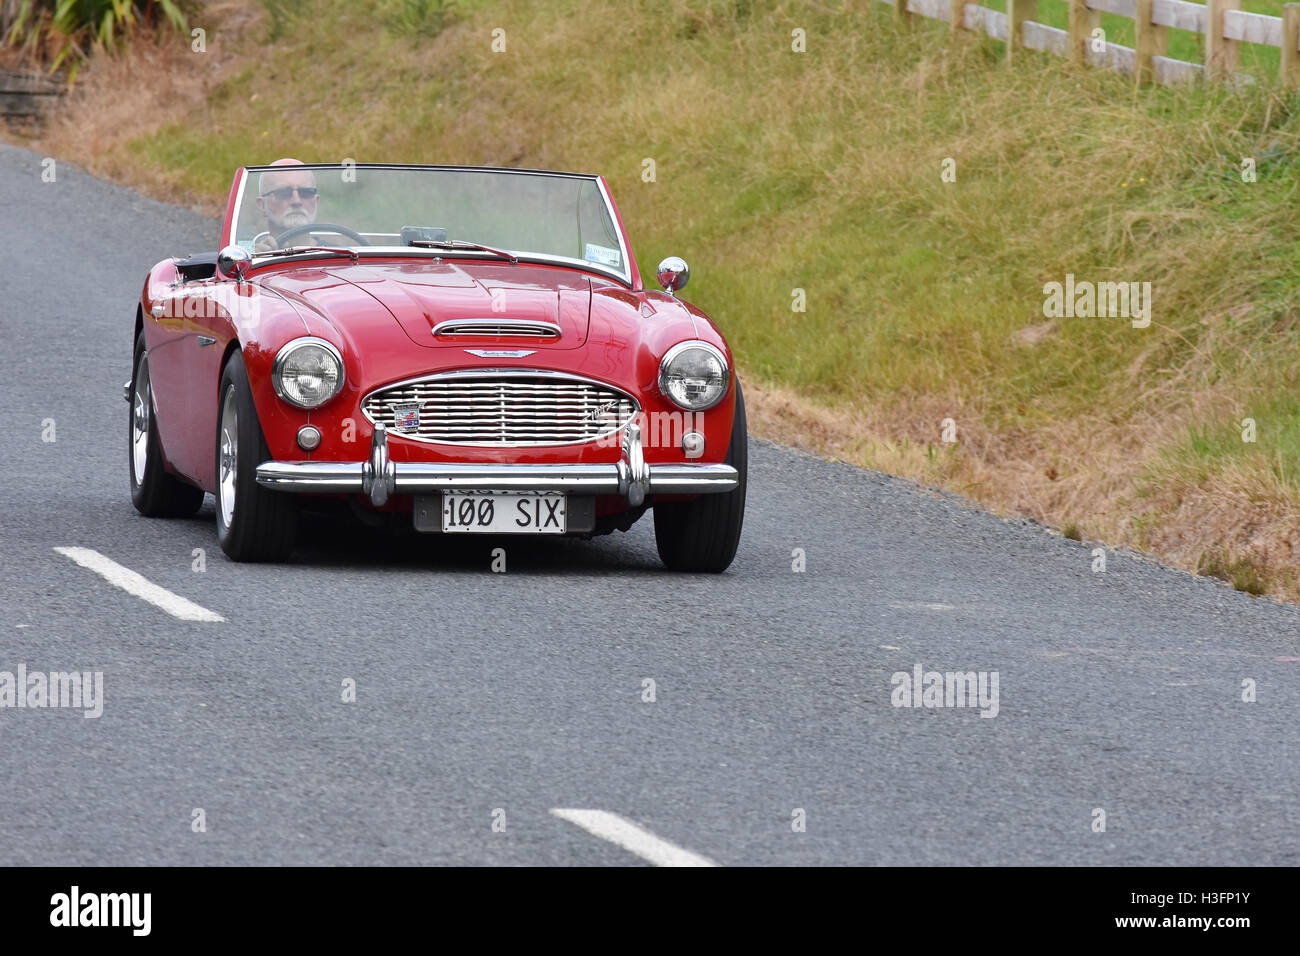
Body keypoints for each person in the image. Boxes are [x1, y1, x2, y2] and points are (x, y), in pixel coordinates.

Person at [251, 159, 320, 252]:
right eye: (283, 193)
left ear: (316, 202)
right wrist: (253, 256)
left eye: (306, 192)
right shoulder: (247, 257)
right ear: (262, 205)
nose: (296, 201)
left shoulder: (339, 255)